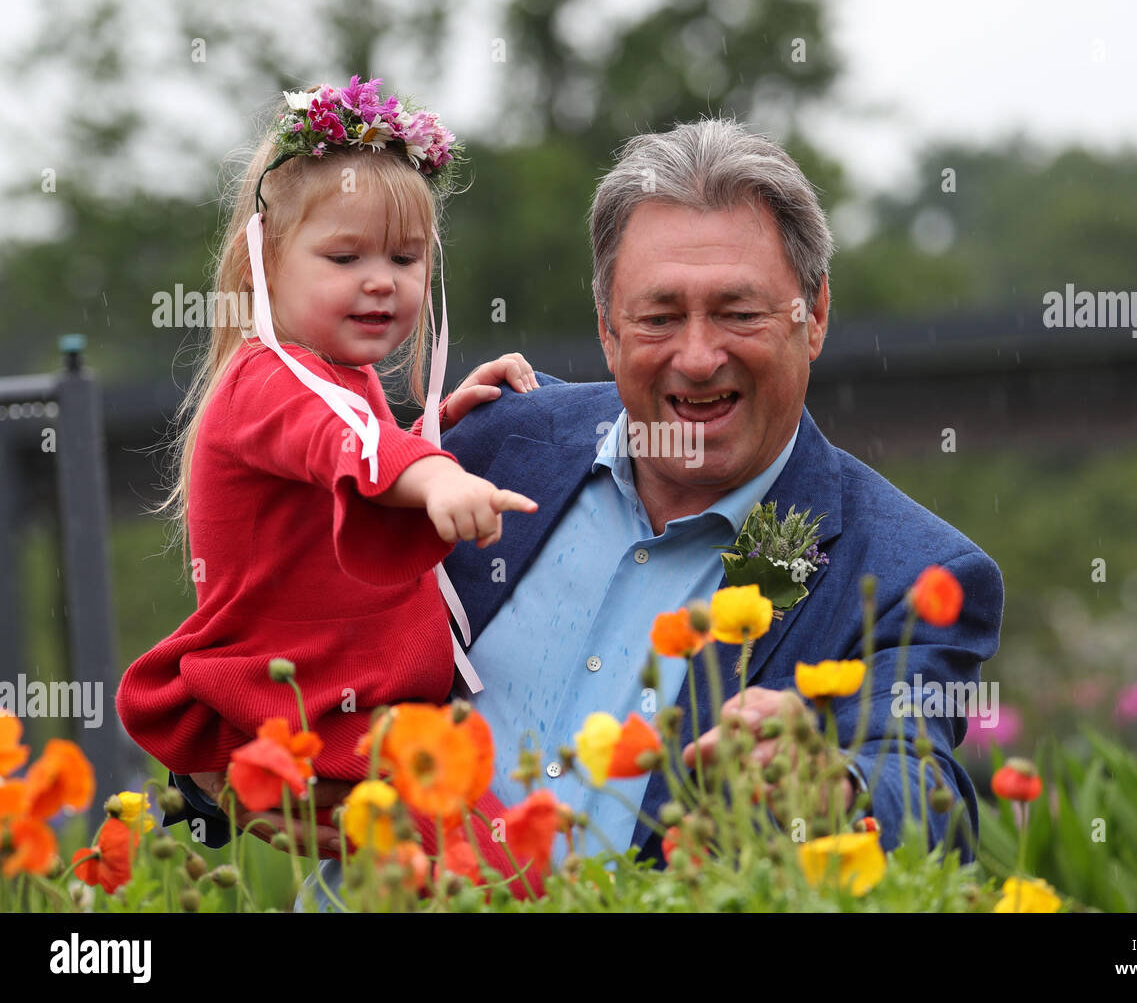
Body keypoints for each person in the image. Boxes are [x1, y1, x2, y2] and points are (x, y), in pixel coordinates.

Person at [175, 118, 1004, 908]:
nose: (698, 354)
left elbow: (927, 797)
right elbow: (279, 585)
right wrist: (223, 763)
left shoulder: (903, 570)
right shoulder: (491, 445)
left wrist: (834, 788)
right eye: (659, 315)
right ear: (607, 327)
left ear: (813, 315)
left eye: (740, 312)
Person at [115, 77, 543, 877]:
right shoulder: (269, 377)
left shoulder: (337, 376)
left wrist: (442, 422)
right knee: (489, 861)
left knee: (463, 858)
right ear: (265, 268)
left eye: (405, 258)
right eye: (345, 257)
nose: (380, 279)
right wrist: (438, 476)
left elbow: (358, 446)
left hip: (345, 694)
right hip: (306, 699)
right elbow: (341, 447)